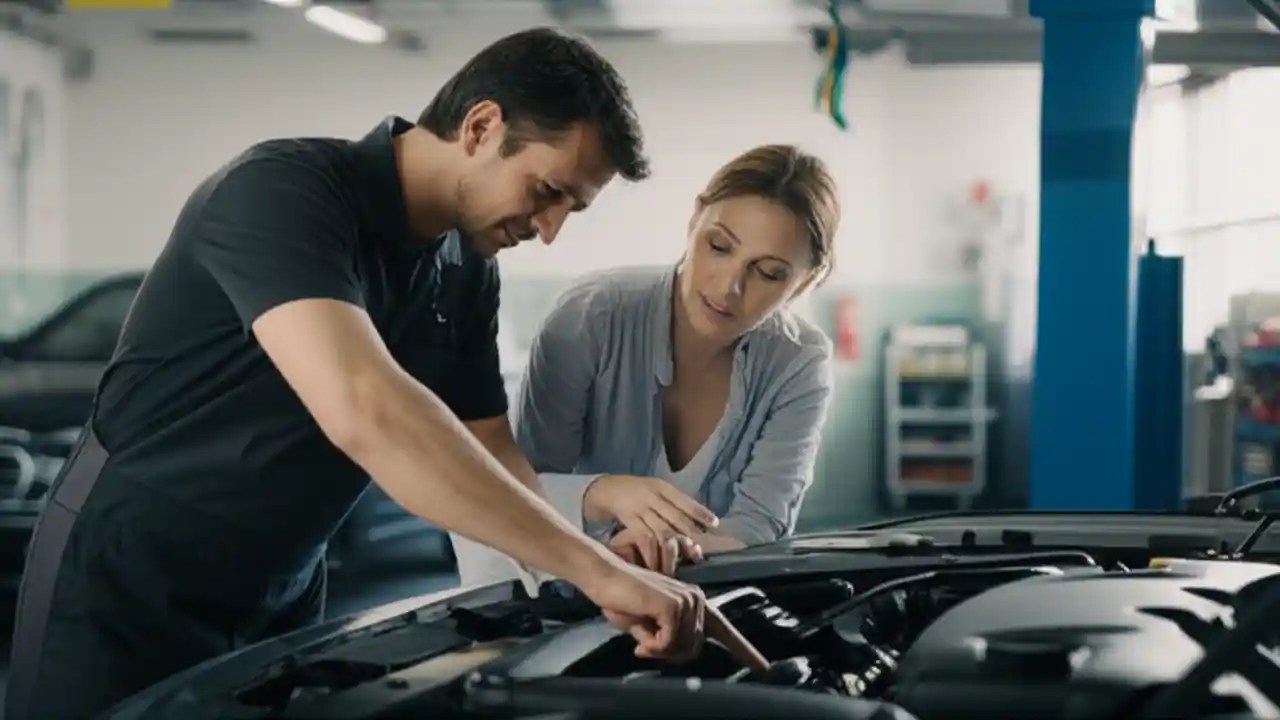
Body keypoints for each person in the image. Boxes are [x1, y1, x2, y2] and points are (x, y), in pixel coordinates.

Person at [7, 28, 709, 720]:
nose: (550, 229)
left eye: (572, 210)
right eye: (547, 191)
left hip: (282, 584)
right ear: (481, 126)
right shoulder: (283, 191)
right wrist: (597, 573)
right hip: (126, 577)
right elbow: (366, 409)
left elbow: (492, 453)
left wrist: (589, 570)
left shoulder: (466, 270)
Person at [451, 144, 838, 586]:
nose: (729, 286)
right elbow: (518, 491)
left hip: (693, 597)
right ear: (695, 219)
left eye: (768, 273)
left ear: (806, 281)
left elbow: (759, 528)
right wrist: (603, 494)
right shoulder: (594, 315)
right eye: (718, 246)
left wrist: (663, 554)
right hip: (548, 588)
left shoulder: (799, 363)